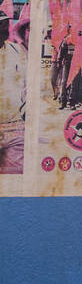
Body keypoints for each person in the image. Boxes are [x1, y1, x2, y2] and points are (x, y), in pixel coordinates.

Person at [0, 12, 26, 174]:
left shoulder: (16, 51)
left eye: (6, 23)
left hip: (14, 127)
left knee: (14, 178)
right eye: (1, 23)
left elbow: (26, 86)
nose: (5, 27)